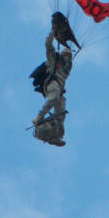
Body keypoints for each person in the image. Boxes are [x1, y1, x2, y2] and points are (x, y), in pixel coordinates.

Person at [32, 18, 75, 146]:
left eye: (69, 57)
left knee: (61, 111)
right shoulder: (53, 61)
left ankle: (54, 135)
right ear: (62, 56)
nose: (68, 59)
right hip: (51, 84)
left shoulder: (67, 69)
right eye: (66, 56)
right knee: (55, 96)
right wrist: (52, 32)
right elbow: (48, 46)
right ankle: (39, 117)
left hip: (59, 88)